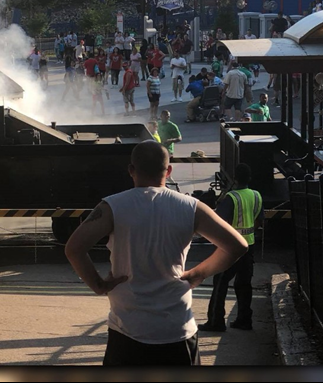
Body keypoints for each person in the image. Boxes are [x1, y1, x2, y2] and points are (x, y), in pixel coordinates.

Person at [64, 141, 248, 366]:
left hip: (126, 331)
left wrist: (99, 285)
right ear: (168, 170)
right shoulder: (191, 207)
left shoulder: (112, 206)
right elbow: (238, 246)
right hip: (177, 331)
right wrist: (199, 273)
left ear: (131, 170)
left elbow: (74, 249)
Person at [199, 163, 262, 333]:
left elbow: (218, 223)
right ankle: (244, 319)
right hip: (249, 246)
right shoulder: (256, 196)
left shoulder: (231, 198)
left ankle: (216, 321)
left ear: (234, 179)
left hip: (229, 248)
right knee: (244, 283)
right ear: (249, 178)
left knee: (220, 282)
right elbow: (258, 221)